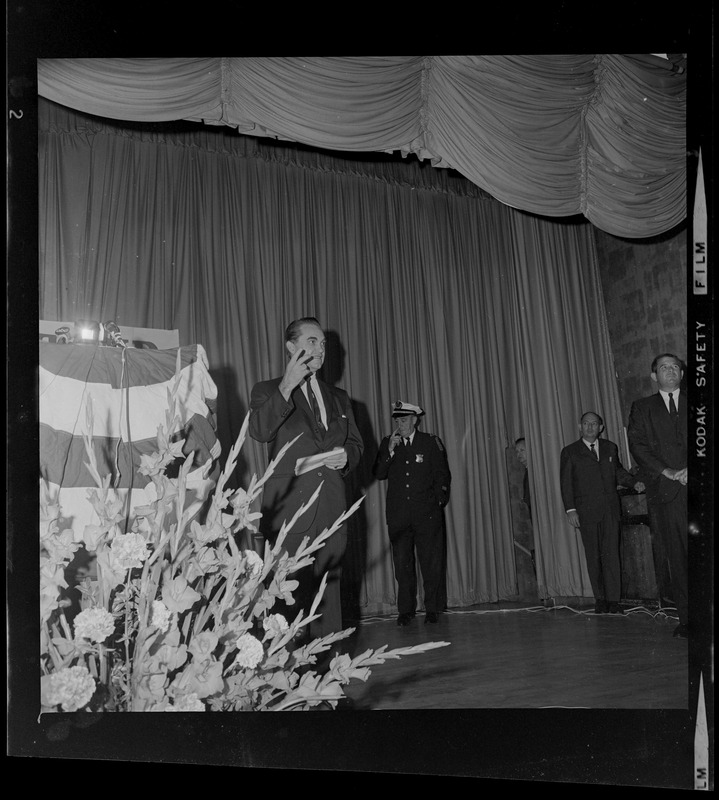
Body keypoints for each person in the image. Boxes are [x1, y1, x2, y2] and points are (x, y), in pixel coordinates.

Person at [249, 317, 363, 641]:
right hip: (289, 516)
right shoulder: (268, 390)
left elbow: (356, 444)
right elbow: (259, 430)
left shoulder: (339, 398)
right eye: (312, 341)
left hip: (331, 511)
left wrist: (346, 457)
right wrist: (287, 385)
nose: (321, 349)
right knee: (286, 604)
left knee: (331, 604)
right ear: (291, 347)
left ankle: (330, 683)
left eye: (323, 343)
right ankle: (286, 686)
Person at [373, 401, 451, 626]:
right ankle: (405, 611)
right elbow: (378, 473)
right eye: (397, 420)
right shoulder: (389, 443)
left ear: (415, 420)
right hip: (399, 516)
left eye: (404, 420)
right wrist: (389, 452)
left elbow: (442, 476)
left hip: (426, 515)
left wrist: (438, 502)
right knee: (403, 565)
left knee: (431, 563)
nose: (401, 424)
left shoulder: (429, 442)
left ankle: (433, 609)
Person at [627, 353, 688, 638]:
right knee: (678, 557)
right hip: (668, 492)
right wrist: (669, 472)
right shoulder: (642, 407)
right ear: (654, 377)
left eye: (675, 366)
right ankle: (689, 621)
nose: (670, 371)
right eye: (664, 367)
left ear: (682, 373)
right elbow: (638, 446)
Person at [560, 411, 645, 615]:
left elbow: (618, 472)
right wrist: (571, 510)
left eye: (594, 423)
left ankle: (614, 601)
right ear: (580, 427)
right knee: (594, 556)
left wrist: (634, 482)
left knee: (611, 555)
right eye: (586, 424)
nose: (590, 427)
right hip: (586, 512)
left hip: (610, 510)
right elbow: (566, 484)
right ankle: (601, 600)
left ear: (601, 427)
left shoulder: (610, 447)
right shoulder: (570, 451)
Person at [514, 436, 536, 576]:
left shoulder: (535, 472)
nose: (519, 455)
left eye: (522, 450)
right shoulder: (527, 472)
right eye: (517, 451)